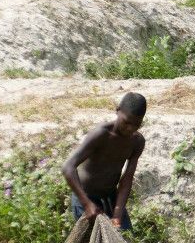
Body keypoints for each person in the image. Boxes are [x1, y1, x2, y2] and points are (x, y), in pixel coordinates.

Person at [61, 93, 147, 231]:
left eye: (136, 125)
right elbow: (68, 167)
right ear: (118, 110)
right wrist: (87, 204)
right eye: (126, 122)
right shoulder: (101, 134)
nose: (130, 128)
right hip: (86, 197)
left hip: (111, 198)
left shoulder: (137, 142)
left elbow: (127, 178)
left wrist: (118, 212)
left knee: (124, 237)